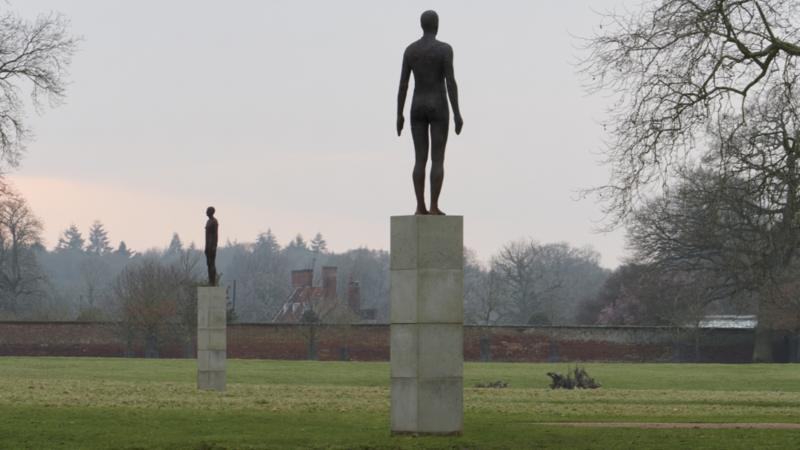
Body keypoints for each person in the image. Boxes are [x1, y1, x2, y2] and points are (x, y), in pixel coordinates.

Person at [396, 10, 463, 215]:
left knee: (420, 159)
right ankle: (433, 206)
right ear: (437, 25)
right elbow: (450, 82)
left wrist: (399, 114)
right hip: (438, 105)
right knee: (437, 159)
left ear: (421, 25)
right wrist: (457, 113)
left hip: (417, 105)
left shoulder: (410, 51)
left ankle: (420, 206)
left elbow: (404, 85)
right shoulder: (444, 50)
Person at [204, 206, 218, 286]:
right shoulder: (208, 221)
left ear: (211, 212)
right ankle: (210, 280)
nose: (206, 212)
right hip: (207, 245)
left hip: (212, 245)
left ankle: (213, 282)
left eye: (207, 210)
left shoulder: (214, 221)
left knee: (212, 263)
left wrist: (214, 246)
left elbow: (216, 235)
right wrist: (206, 247)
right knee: (208, 264)